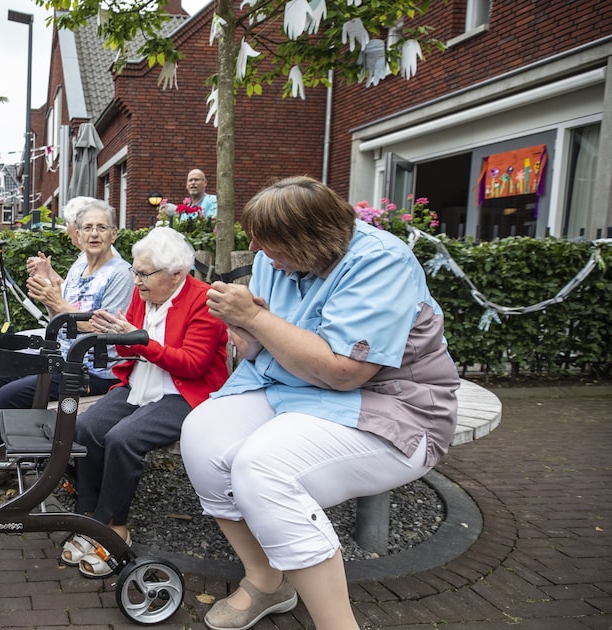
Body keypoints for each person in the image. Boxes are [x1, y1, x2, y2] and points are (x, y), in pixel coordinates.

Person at [181, 176, 460, 630]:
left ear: (311, 241)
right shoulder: (274, 256)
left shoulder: (381, 262)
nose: (259, 251)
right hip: (294, 387)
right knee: (201, 437)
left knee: (264, 467)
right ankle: (267, 582)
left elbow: (345, 372)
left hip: (391, 406)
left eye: (270, 244)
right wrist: (245, 331)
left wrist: (254, 317)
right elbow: (263, 347)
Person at [61, 227, 230, 578]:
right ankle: (89, 514)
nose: (136, 281)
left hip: (184, 392)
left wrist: (136, 340)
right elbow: (127, 349)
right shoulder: (144, 293)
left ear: (178, 274)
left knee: (123, 438)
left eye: (144, 273)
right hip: (139, 384)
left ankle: (114, 527)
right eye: (134, 272)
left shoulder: (204, 299)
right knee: (86, 427)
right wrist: (118, 333)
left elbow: (193, 364)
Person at [0, 198, 134, 487]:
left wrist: (57, 301)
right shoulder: (79, 266)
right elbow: (58, 317)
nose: (94, 234)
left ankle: (8, 461)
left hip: (93, 370)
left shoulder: (121, 274)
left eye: (101, 227)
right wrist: (49, 293)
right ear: (78, 233)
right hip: (61, 358)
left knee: (8, 395)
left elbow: (106, 326)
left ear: (114, 234)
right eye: (87, 228)